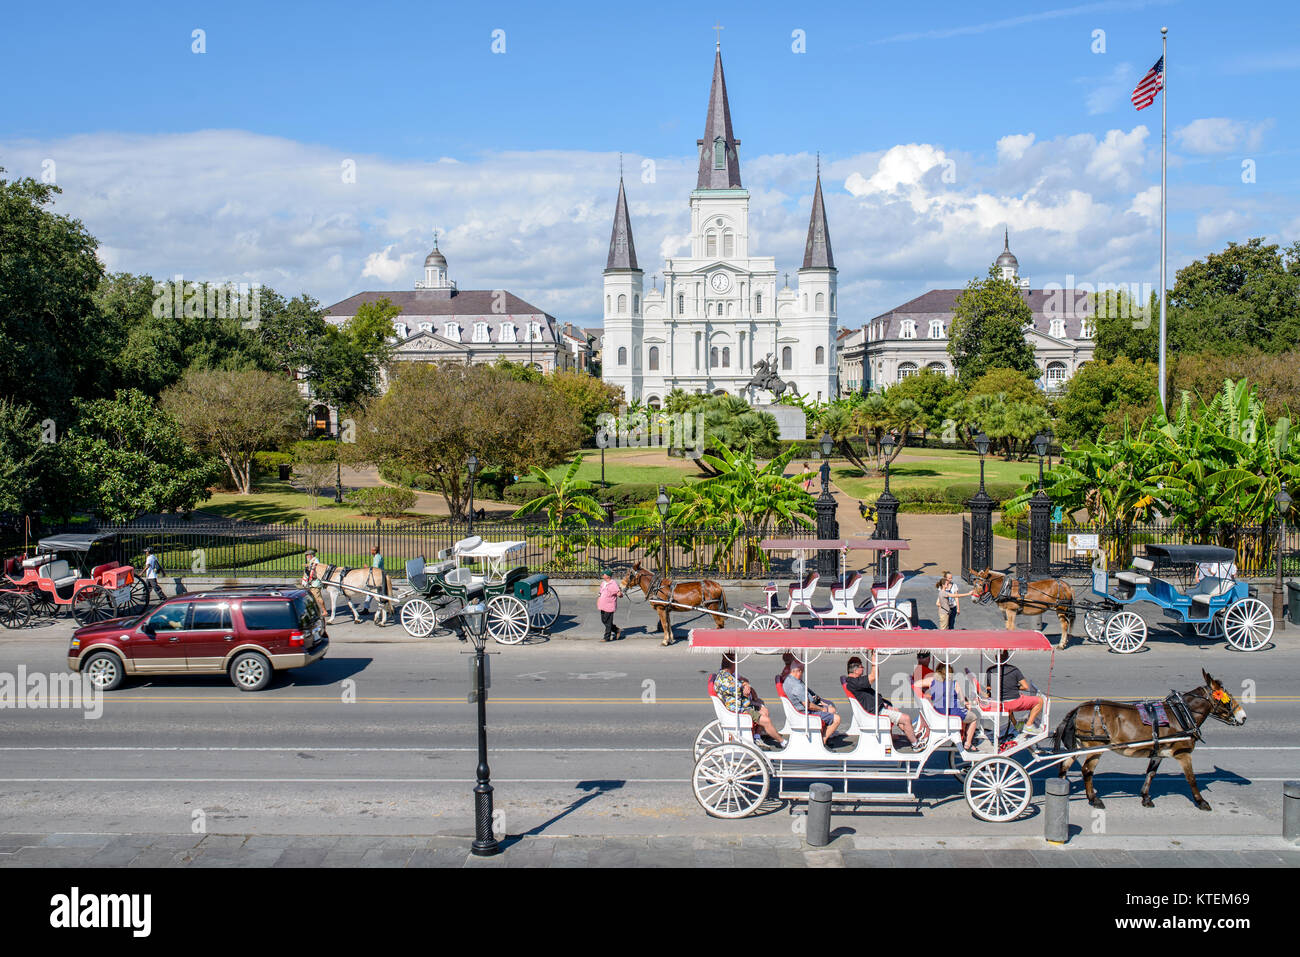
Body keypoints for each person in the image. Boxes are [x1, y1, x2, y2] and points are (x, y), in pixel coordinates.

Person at [844, 655, 923, 750]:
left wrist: (884, 704)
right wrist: (874, 660)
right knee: (906, 718)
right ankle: (915, 744)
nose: (863, 668)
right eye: (861, 667)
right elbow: (874, 676)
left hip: (878, 708)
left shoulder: (855, 682)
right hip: (875, 712)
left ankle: (910, 735)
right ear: (855, 670)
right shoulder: (855, 682)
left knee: (897, 713)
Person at [715, 654, 783, 748]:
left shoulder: (726, 676)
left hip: (740, 705)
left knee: (762, 708)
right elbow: (743, 691)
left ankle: (757, 737)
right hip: (738, 709)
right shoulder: (725, 679)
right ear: (732, 665)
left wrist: (745, 685)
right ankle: (783, 742)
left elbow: (743, 684)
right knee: (766, 720)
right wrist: (745, 686)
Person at [918, 661, 979, 750]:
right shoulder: (954, 683)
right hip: (951, 712)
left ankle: (964, 737)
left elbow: (916, 684)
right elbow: (962, 700)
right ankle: (968, 743)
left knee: (965, 713)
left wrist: (925, 693)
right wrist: (966, 703)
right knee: (973, 718)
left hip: (937, 712)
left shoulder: (932, 680)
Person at [981, 650, 1044, 734]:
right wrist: (1016, 687)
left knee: (1009, 703)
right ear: (1007, 658)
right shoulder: (1014, 670)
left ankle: (1017, 726)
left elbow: (989, 688)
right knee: (1039, 701)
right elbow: (1025, 687)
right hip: (1013, 703)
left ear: (996, 657)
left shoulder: (990, 670)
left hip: (999, 703)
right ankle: (1029, 725)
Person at [783, 660, 840, 743]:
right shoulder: (797, 686)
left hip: (799, 709)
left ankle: (825, 733)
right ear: (798, 671)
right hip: (804, 712)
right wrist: (821, 709)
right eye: (802, 671)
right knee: (837, 719)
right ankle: (823, 740)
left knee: (831, 709)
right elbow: (808, 705)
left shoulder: (788, 680)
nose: (802, 674)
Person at [597, 569, 622, 641]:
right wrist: (598, 599)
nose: (602, 575)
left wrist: (619, 594)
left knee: (608, 622)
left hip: (609, 605)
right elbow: (600, 592)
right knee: (603, 620)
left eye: (603, 574)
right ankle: (616, 630)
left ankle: (606, 637)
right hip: (602, 604)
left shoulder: (613, 583)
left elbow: (618, 592)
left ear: (607, 576)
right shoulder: (603, 583)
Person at [362, 545, 385, 615]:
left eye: (372, 550)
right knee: (371, 593)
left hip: (377, 577)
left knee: (371, 592)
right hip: (379, 576)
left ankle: (366, 609)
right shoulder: (377, 557)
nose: (371, 551)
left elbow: (375, 568)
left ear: (375, 551)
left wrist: (367, 567)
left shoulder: (377, 558)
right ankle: (366, 608)